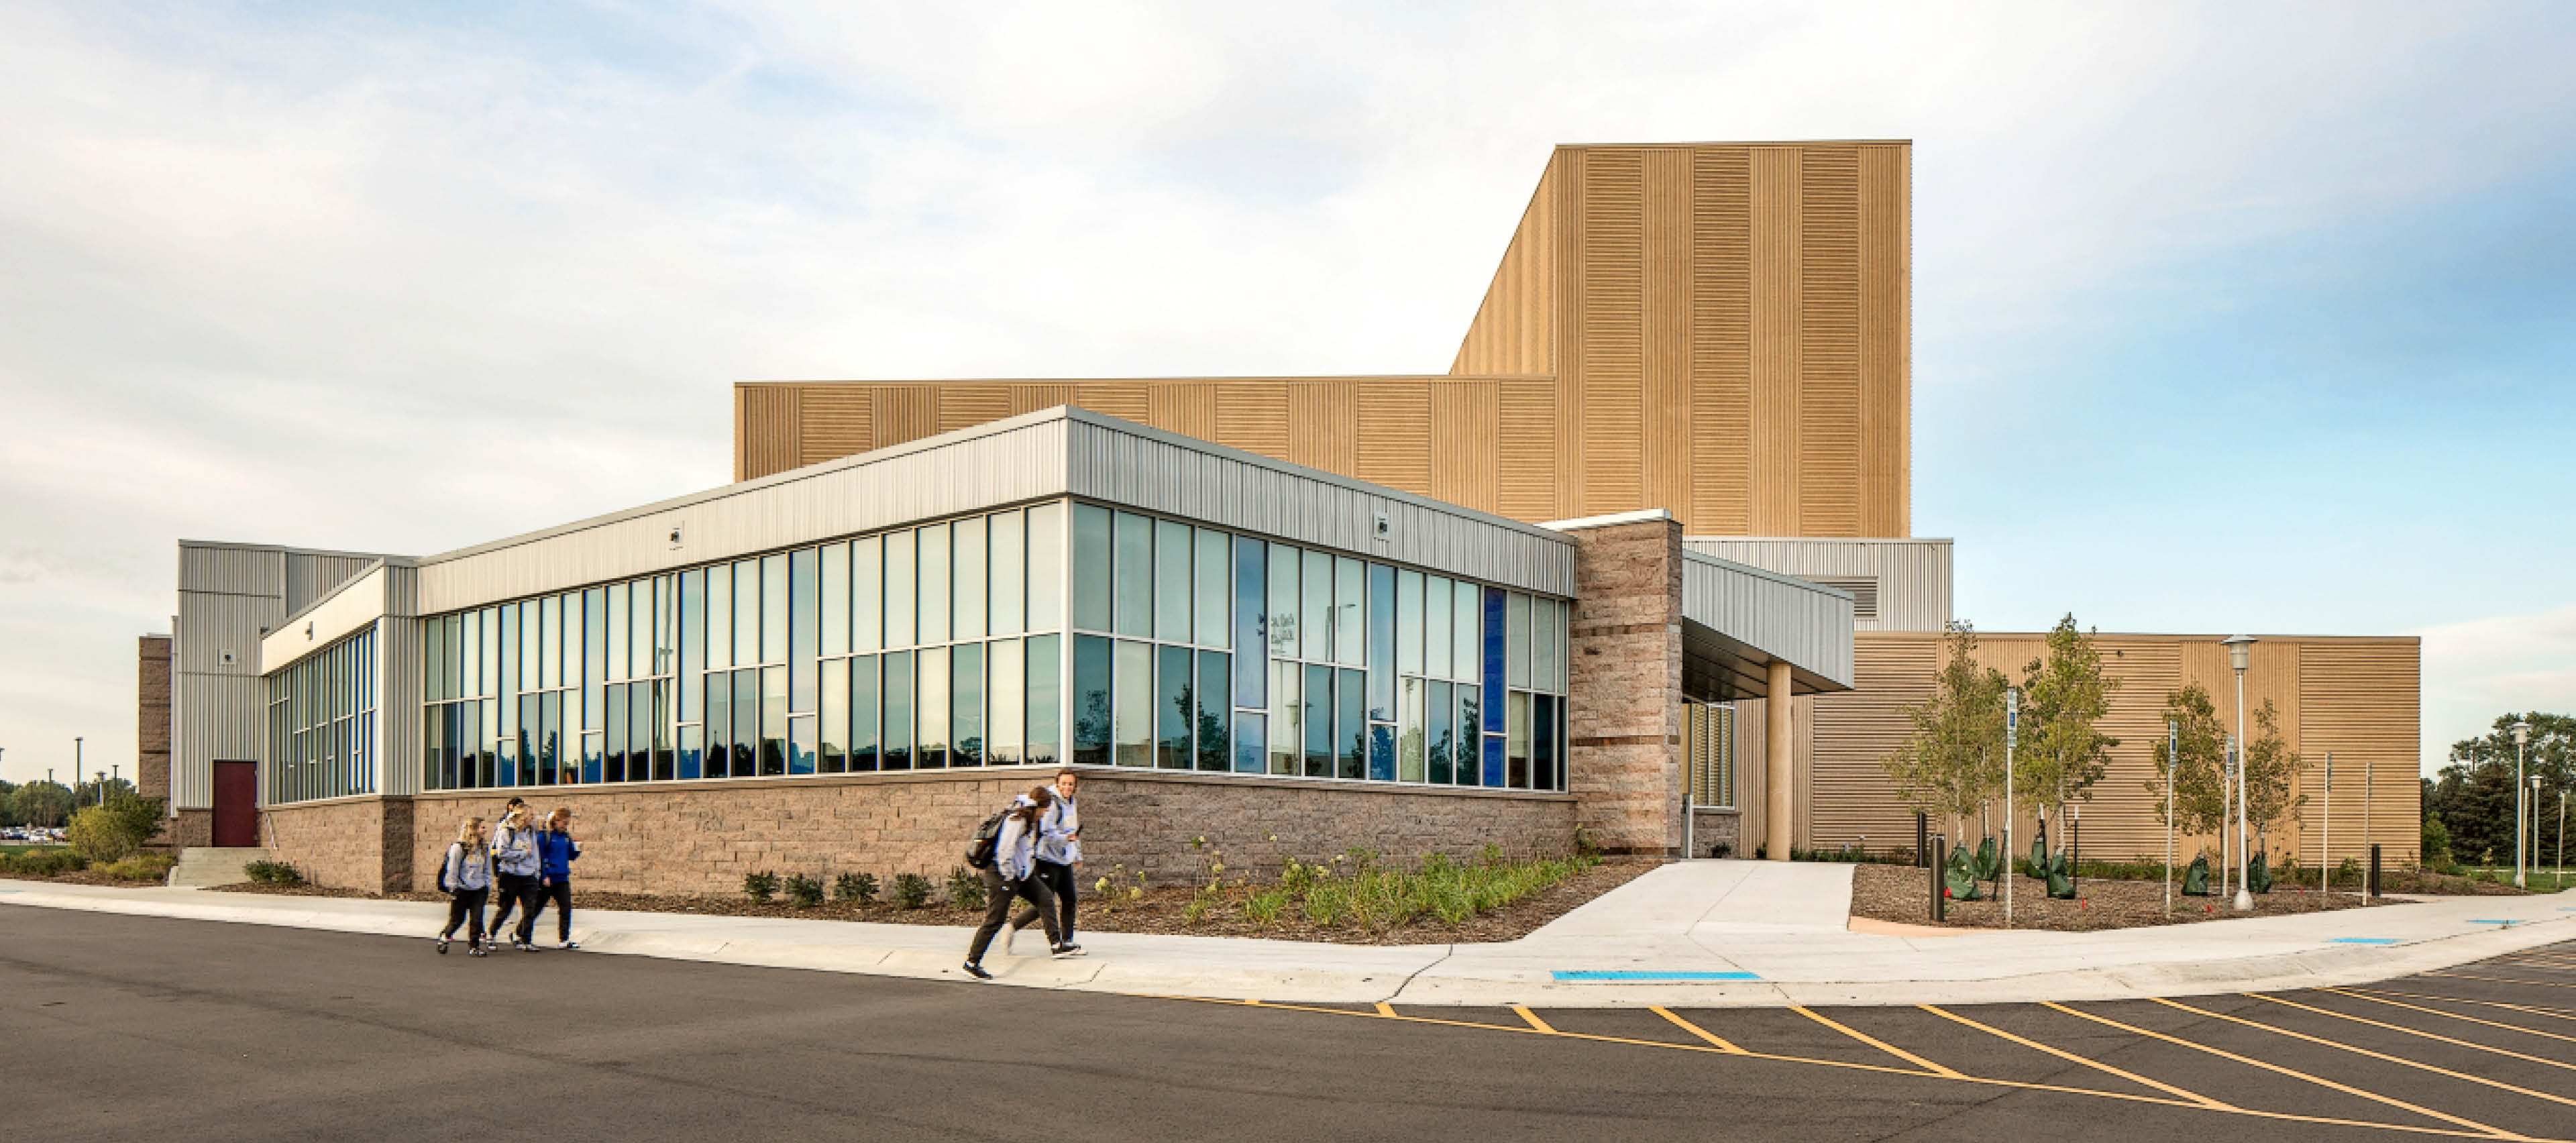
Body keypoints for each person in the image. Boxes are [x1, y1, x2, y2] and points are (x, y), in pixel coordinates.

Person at [961, 786, 1066, 980]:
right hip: (1002, 874)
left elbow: (1025, 851)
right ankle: (972, 962)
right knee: (995, 920)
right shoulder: (1016, 820)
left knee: (1045, 897)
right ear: (1037, 807)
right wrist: (1009, 877)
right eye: (1044, 810)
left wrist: (1024, 873)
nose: (1045, 814)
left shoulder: (1030, 820)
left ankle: (1056, 945)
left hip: (1021, 875)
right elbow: (1005, 851)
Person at [1005, 769, 1083, 957]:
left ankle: (1067, 941)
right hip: (1047, 858)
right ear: (1057, 783)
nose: (1067, 787)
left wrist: (1077, 854)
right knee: (1044, 902)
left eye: (1071, 784)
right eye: (1064, 783)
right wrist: (1066, 839)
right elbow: (1048, 833)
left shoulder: (1072, 802)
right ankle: (1012, 927)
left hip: (1064, 858)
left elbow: (1073, 830)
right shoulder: (1051, 802)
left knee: (1070, 899)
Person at [488, 804, 545, 952]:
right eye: (531, 815)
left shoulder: (531, 831)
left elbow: (535, 853)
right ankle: (491, 933)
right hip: (510, 875)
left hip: (529, 875)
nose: (533, 818)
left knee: (530, 909)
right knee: (506, 907)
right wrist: (522, 854)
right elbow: (501, 853)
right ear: (523, 817)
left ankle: (525, 939)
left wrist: (536, 872)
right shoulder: (507, 831)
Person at [437, 817, 493, 957]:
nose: (485, 831)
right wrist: (453, 888)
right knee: (457, 919)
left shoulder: (484, 848)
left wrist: (487, 885)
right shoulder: (458, 848)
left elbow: (487, 869)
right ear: (474, 830)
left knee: (477, 918)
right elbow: (453, 870)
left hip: (479, 889)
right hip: (462, 889)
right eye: (482, 828)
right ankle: (445, 936)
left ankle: (474, 947)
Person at [528, 807, 582, 949]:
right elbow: (540, 857)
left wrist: (577, 850)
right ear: (556, 821)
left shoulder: (566, 837)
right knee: (537, 907)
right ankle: (520, 932)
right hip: (548, 878)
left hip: (562, 877)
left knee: (566, 907)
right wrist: (544, 875)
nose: (565, 827)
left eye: (567, 824)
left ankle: (564, 939)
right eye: (564, 823)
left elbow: (571, 855)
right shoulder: (544, 837)